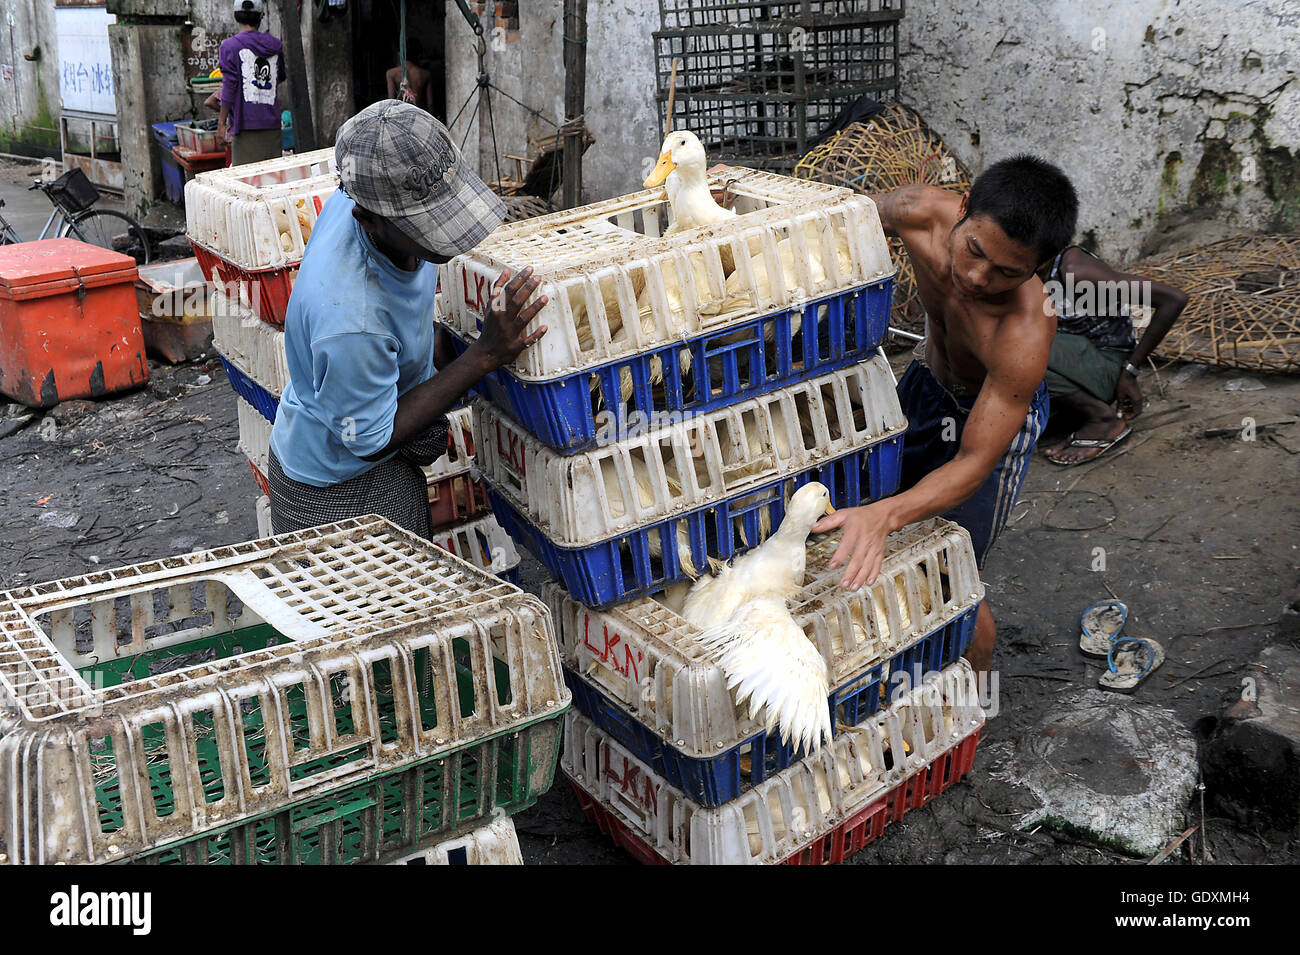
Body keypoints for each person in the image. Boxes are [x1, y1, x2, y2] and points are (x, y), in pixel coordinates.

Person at [813, 156, 1079, 674]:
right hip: (925, 386)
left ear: (1039, 269)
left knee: (948, 571)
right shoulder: (916, 211)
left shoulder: (1024, 332)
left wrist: (887, 515)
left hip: (988, 421)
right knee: (855, 512)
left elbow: (975, 462)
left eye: (1007, 273)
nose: (978, 277)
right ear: (961, 209)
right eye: (974, 250)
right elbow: (831, 218)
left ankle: (970, 707)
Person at [267, 99, 546, 538]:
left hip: (366, 446)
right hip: (336, 488)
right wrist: (482, 356)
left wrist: (430, 341)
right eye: (425, 225)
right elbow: (372, 437)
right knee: (381, 605)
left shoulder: (369, 199)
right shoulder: (350, 320)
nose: (444, 237)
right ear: (368, 219)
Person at [1036, 247, 1189, 465]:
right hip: (1067, 358)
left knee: (1012, 348)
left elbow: (1174, 299)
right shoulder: (1023, 271)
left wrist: (1130, 371)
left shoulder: (1076, 272)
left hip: (1104, 364)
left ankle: (1102, 420)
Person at [218, 0, 286, 166]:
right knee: (272, 180)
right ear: (261, 15)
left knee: (247, 183)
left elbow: (229, 87)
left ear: (235, 16)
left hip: (244, 127)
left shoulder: (229, 46)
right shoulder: (276, 46)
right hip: (272, 124)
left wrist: (221, 123)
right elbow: (280, 76)